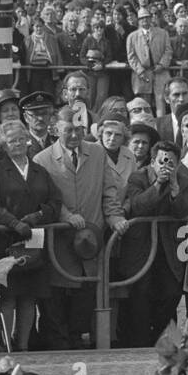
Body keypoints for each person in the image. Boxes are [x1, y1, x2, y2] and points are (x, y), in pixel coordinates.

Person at [34, 105, 126, 349]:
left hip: (90, 244)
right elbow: (41, 198)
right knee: (55, 306)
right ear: (55, 130)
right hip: (59, 244)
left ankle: (78, 348)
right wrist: (65, 214)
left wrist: (114, 217)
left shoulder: (97, 153)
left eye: (79, 130)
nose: (74, 135)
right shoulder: (41, 160)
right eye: (68, 130)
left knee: (83, 302)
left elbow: (109, 191)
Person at [0, 119, 60, 351]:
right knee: (9, 297)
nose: (17, 144)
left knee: (29, 296)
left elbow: (55, 202)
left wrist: (38, 216)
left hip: (34, 243)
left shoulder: (39, 170)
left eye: (21, 139)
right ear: (3, 144)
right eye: (11, 140)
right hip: (6, 241)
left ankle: (24, 346)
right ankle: (8, 346)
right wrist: (15, 223)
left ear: (27, 140)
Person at [120, 139, 188, 346]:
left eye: (171, 162)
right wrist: (158, 184)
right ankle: (141, 345)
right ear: (153, 161)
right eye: (162, 161)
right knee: (141, 297)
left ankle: (162, 340)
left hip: (170, 248)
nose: (166, 166)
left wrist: (174, 188)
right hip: (142, 248)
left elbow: (183, 211)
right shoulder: (138, 177)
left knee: (171, 293)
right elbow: (138, 207)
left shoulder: (186, 179)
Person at [126, 7, 172, 113]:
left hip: (160, 71)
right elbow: (131, 56)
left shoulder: (163, 33)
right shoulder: (132, 37)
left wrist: (162, 64)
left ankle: (160, 126)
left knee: (161, 101)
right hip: (143, 73)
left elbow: (168, 50)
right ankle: (146, 126)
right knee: (144, 103)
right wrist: (139, 70)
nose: (145, 20)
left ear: (151, 18)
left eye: (147, 17)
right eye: (142, 18)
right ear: (138, 21)